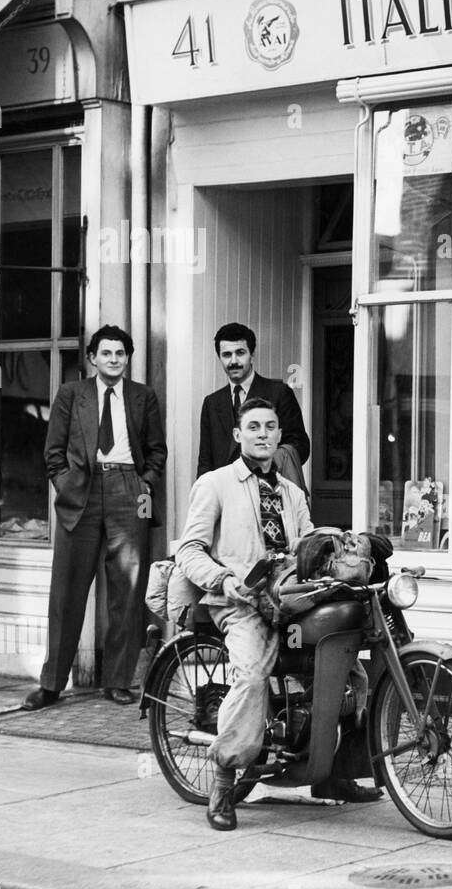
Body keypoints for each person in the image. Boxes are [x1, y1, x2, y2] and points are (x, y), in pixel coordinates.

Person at [175, 397, 379, 831]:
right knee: (251, 675)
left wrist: (339, 552)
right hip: (240, 603)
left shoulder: (291, 492)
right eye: (253, 427)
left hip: (290, 597)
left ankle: (334, 775)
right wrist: (224, 580)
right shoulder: (215, 483)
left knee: (348, 668)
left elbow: (309, 546)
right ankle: (225, 782)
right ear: (238, 435)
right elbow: (188, 550)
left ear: (280, 435)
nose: (263, 433)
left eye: (270, 426)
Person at [23, 326, 167, 711]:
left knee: (128, 589)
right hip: (81, 492)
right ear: (93, 357)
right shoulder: (72, 395)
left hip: (129, 491)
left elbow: (157, 451)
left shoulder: (142, 397)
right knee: (67, 591)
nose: (114, 359)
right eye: (106, 353)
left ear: (127, 358)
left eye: (121, 353)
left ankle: (118, 680)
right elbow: (53, 451)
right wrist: (65, 484)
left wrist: (144, 485)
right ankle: (52, 684)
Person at [196, 322, 310, 490]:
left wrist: (264, 463)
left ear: (252, 355)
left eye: (240, 353)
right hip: (227, 497)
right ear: (219, 357)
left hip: (269, 492)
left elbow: (300, 446)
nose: (234, 361)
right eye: (227, 355)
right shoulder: (212, 403)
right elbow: (205, 462)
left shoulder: (279, 393)